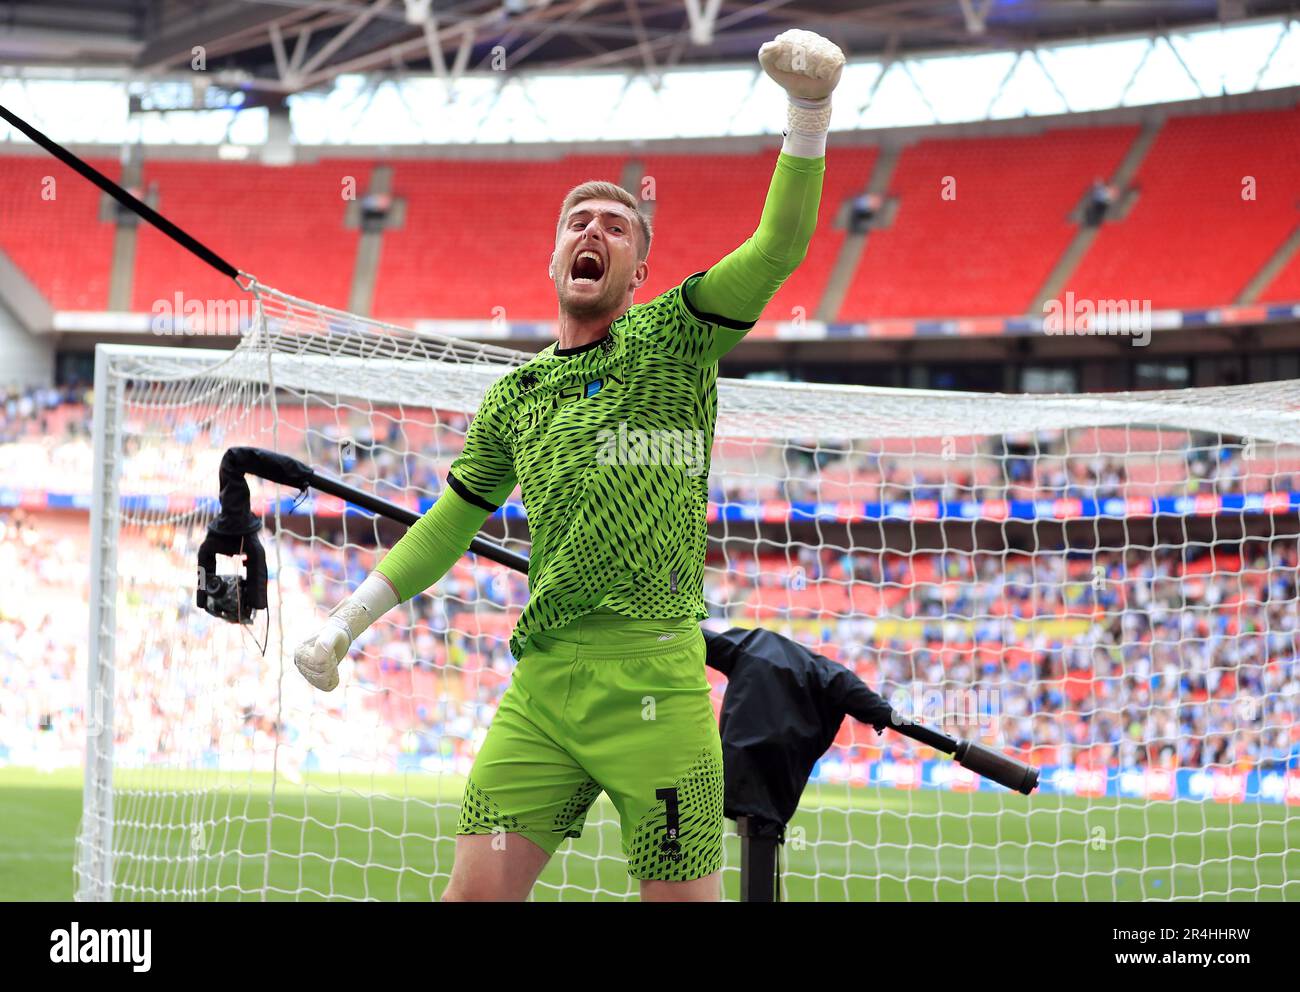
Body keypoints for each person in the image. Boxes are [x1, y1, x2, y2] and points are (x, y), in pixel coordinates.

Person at [293, 28, 845, 902]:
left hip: (657, 687)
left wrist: (808, 112)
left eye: (616, 227)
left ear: (638, 268)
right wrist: (344, 622)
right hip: (543, 691)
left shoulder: (675, 338)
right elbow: (449, 524)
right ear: (555, 259)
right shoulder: (515, 396)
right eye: (577, 223)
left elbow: (776, 248)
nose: (594, 232)